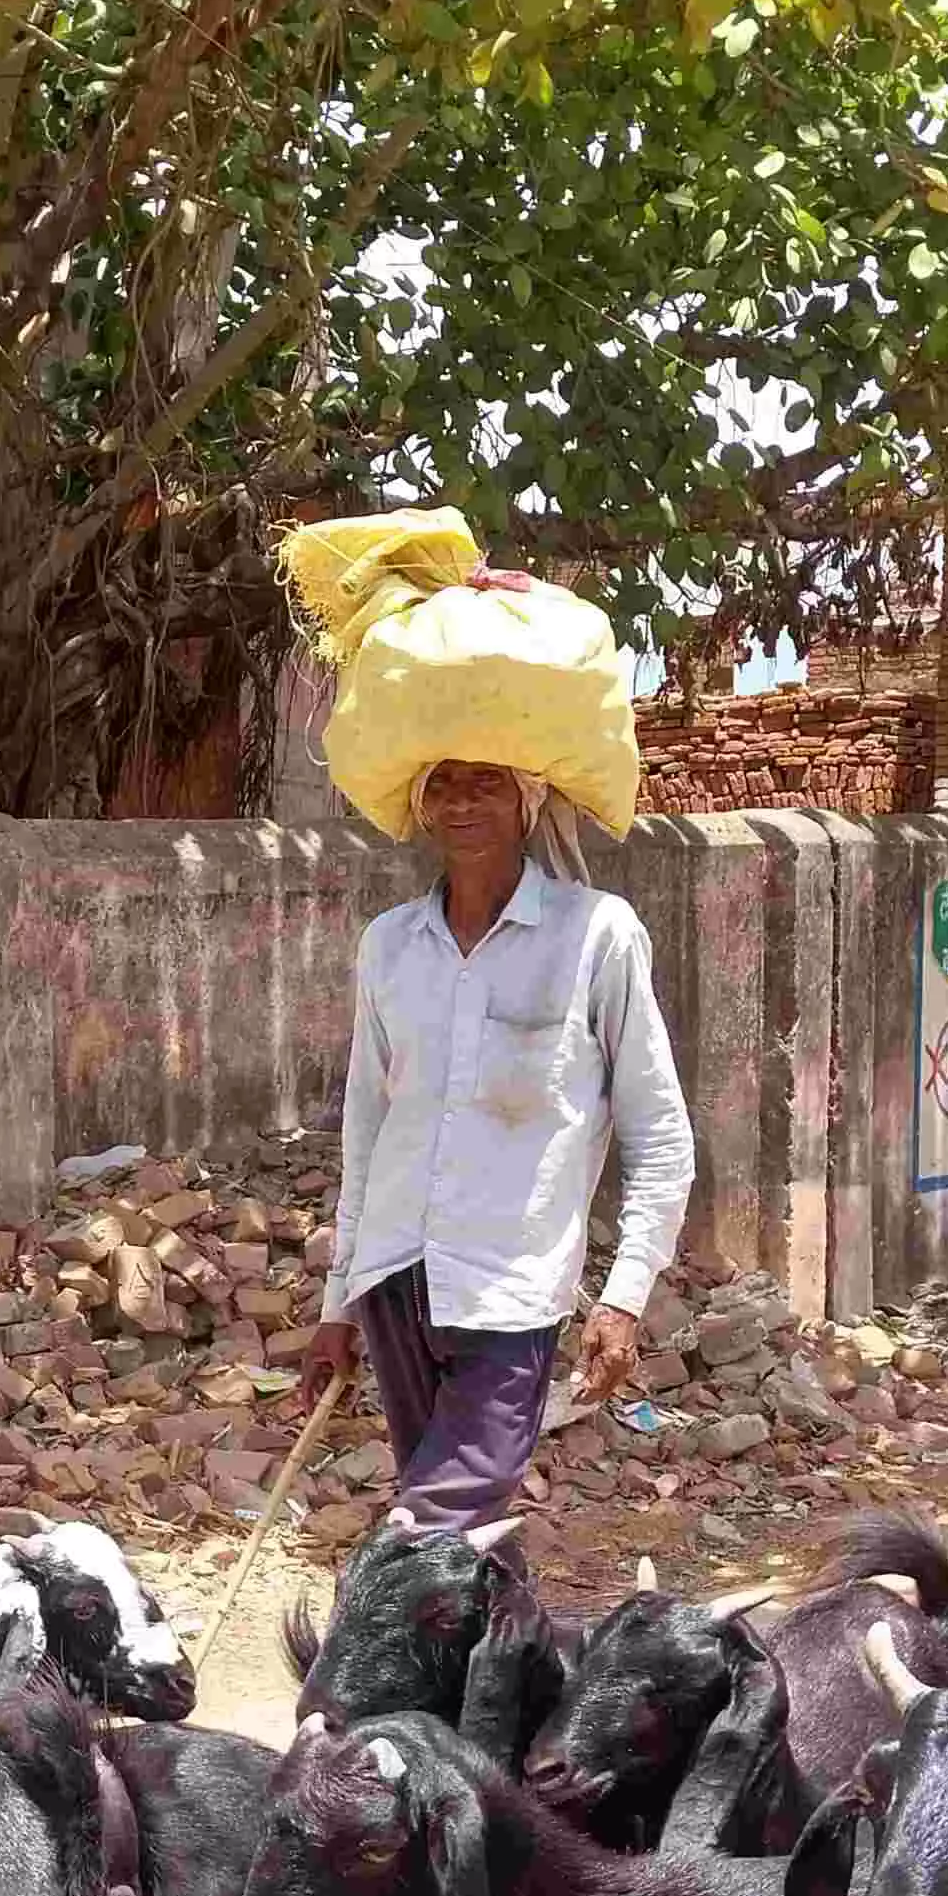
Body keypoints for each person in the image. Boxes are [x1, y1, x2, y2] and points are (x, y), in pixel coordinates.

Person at [281, 513, 695, 1533]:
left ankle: (341, 1693)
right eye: (444, 784)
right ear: (421, 805)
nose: (461, 802)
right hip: (394, 1282)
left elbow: (660, 1138)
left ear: (526, 802)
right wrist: (338, 1306)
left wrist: (625, 1293)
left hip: (512, 1299)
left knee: (432, 1526)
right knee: (470, 1548)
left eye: (486, 783)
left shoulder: (598, 937)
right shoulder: (390, 947)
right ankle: (518, 1691)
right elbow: (366, 1138)